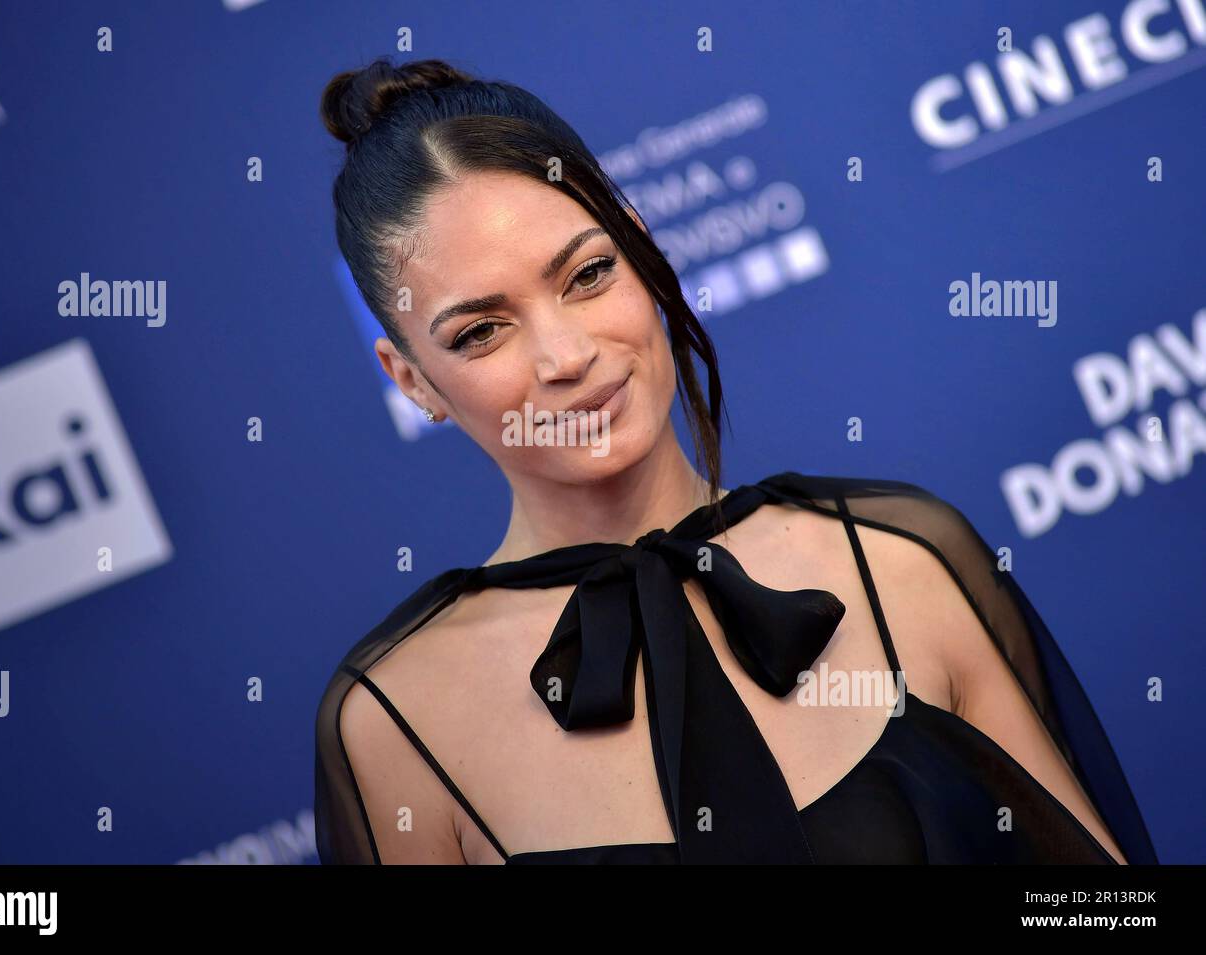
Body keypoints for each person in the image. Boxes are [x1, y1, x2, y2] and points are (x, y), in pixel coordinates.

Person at [313, 57, 1158, 865]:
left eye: (589, 273)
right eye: (481, 331)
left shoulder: (900, 563)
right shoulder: (398, 721)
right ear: (414, 380)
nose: (564, 354)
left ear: (641, 250)